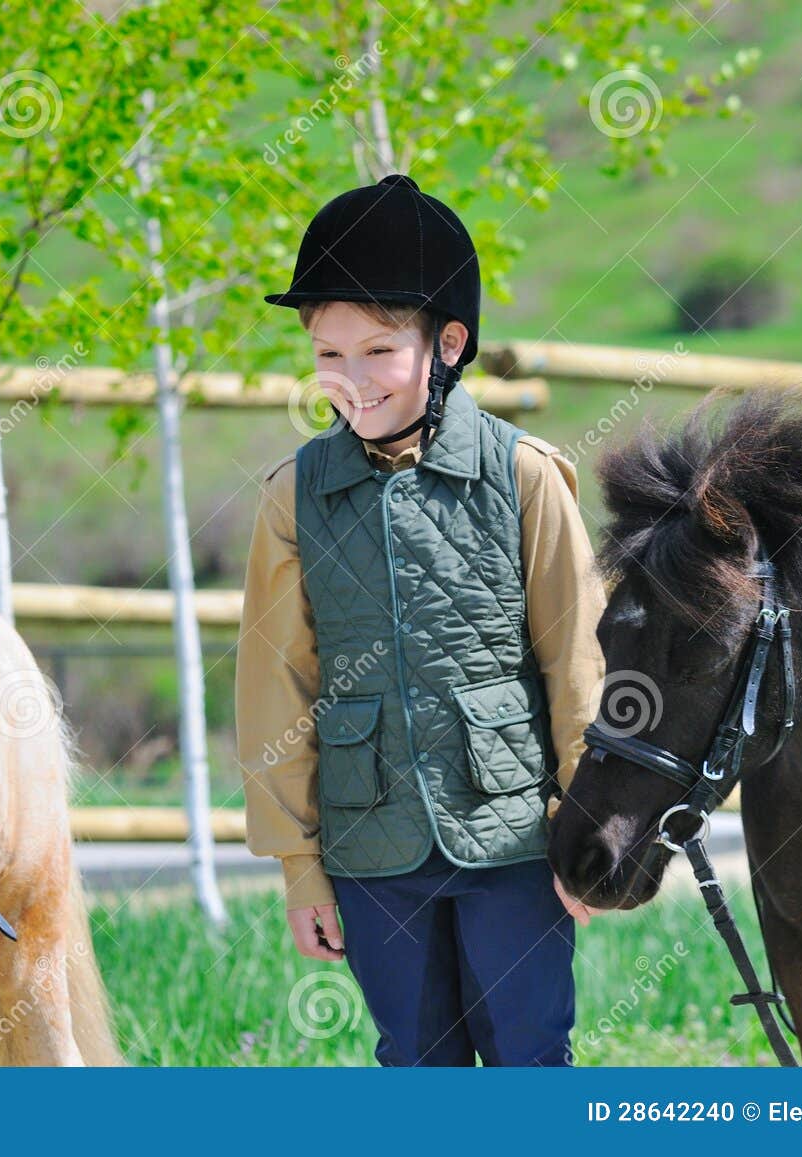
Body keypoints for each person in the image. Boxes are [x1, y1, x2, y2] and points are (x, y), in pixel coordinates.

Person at [237, 174, 606, 1067]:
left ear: (448, 344)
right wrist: (298, 863)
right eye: (329, 355)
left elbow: (579, 663)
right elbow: (274, 682)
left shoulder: (524, 477)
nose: (350, 380)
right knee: (414, 1056)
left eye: (376, 351)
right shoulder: (295, 496)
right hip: (371, 848)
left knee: (529, 1050)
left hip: (515, 836)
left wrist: (590, 827)